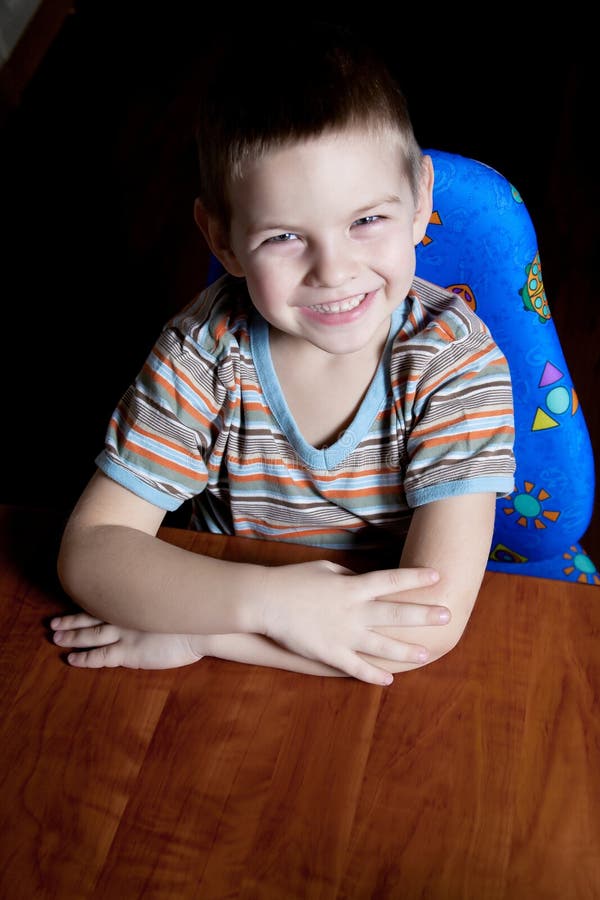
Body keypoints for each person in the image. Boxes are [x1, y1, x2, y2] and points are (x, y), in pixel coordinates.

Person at [51, 21, 515, 686]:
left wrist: (200, 636)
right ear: (223, 240)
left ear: (420, 201)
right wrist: (270, 605)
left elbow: (425, 625)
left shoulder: (452, 364)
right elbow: (90, 552)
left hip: (347, 632)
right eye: (284, 237)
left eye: (366, 221)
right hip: (233, 586)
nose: (333, 270)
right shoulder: (201, 355)